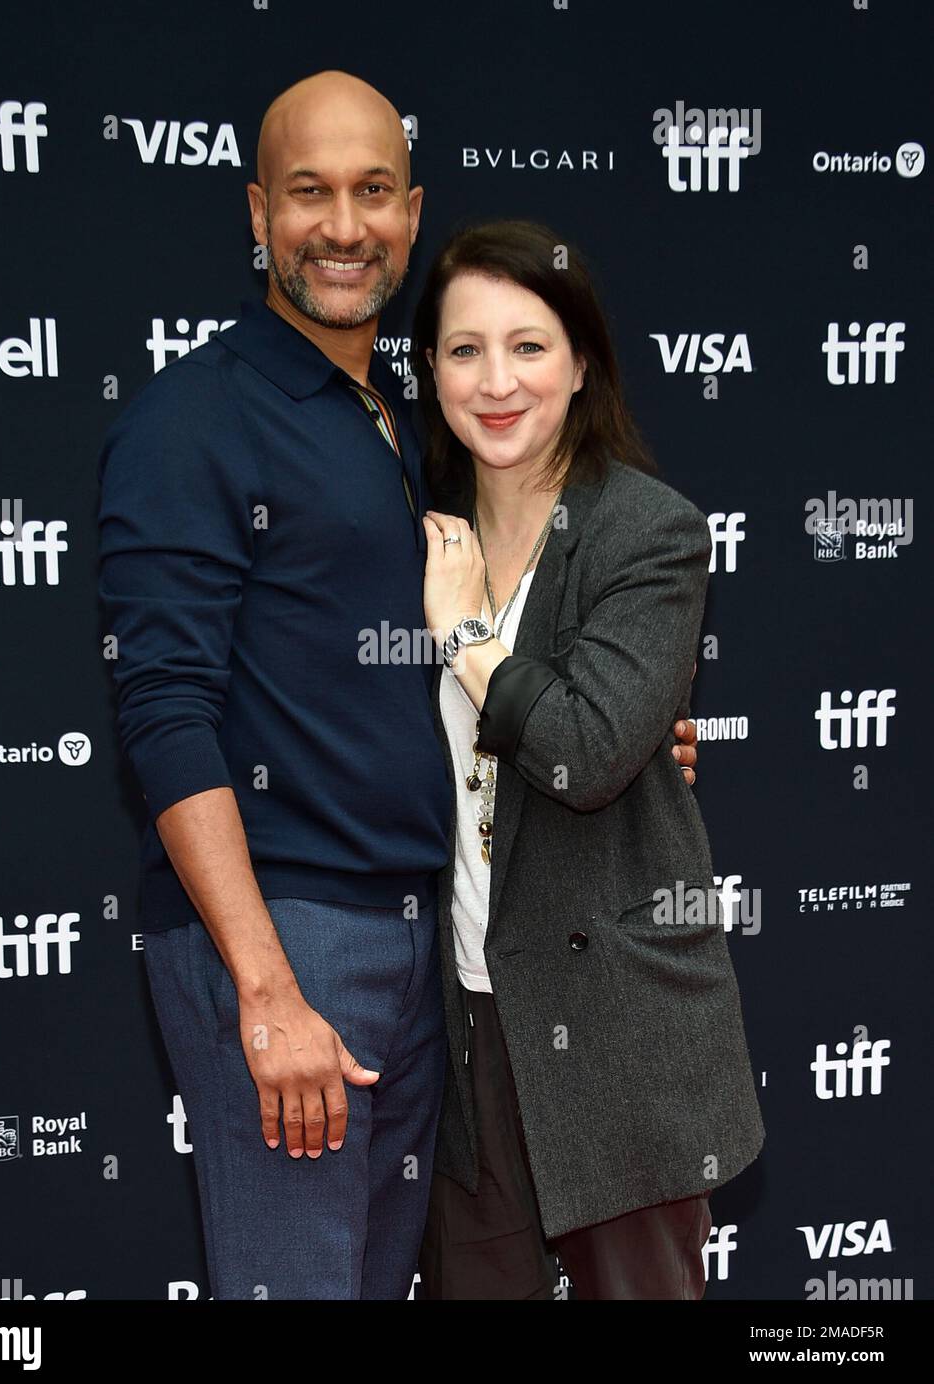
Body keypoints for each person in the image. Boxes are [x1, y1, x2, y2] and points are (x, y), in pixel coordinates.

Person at [96, 70, 701, 1301]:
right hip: (283, 935)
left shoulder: (404, 428)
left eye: (373, 191)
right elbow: (163, 712)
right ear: (256, 212)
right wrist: (266, 991)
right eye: (309, 193)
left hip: (419, 948)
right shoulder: (191, 421)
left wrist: (625, 730)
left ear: (411, 212)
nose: (343, 225)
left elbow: (442, 675)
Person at [411, 219, 765, 1299]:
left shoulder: (646, 530)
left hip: (616, 1023)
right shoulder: (414, 533)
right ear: (429, 369)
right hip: (468, 1019)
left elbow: (590, 751)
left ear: (581, 363)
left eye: (529, 345)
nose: (497, 379)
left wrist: (472, 637)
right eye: (465, 349)